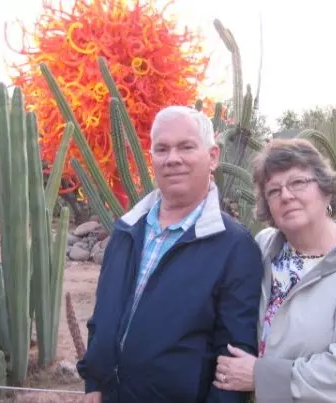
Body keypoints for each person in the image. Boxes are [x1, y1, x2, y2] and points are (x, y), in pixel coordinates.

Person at [77, 105, 264, 403]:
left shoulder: (235, 247)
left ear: (212, 157)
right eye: (161, 149)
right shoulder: (127, 231)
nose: (172, 159)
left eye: (186, 147)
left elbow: (232, 362)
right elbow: (102, 319)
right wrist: (94, 385)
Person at [214, 138, 336, 403]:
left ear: (326, 190)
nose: (286, 195)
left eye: (298, 182)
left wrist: (262, 376)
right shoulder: (264, 248)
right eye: (274, 190)